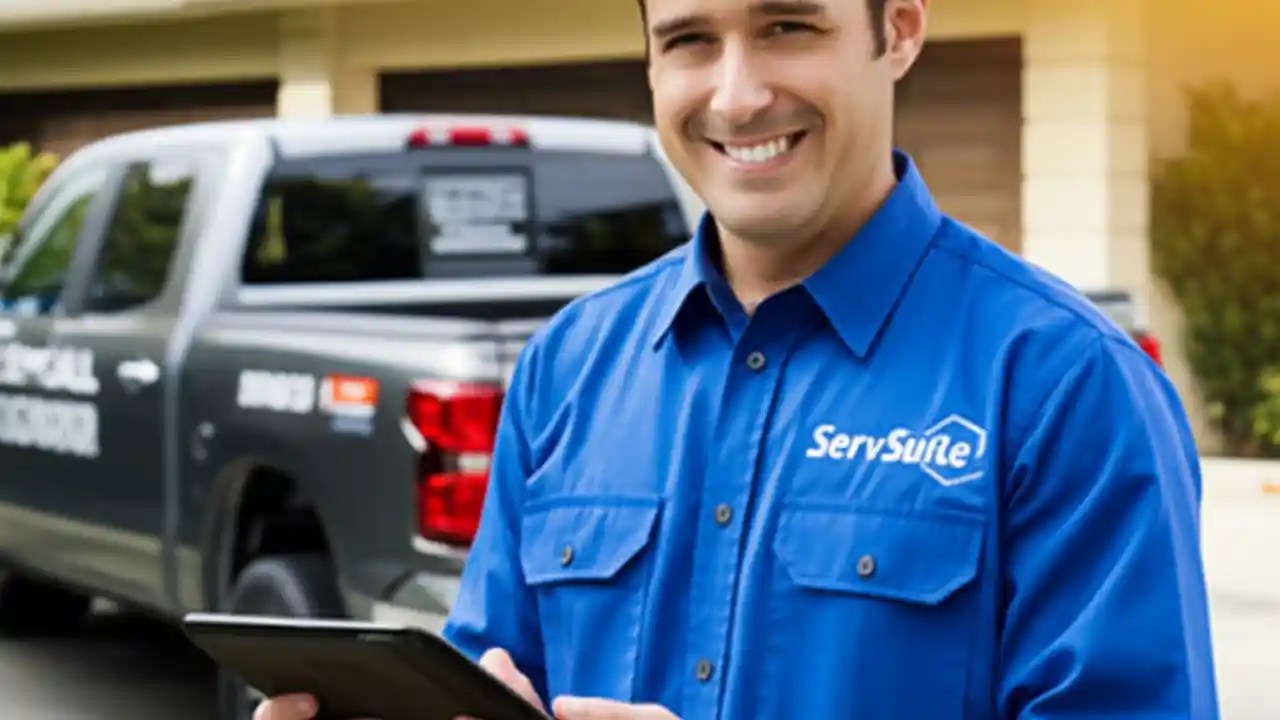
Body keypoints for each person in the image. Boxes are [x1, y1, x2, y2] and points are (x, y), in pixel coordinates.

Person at [258, 0, 1220, 717]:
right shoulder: (569, 367)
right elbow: (497, 685)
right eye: (688, 41)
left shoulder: (1065, 383)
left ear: (900, 31)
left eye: (789, 26)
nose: (737, 93)